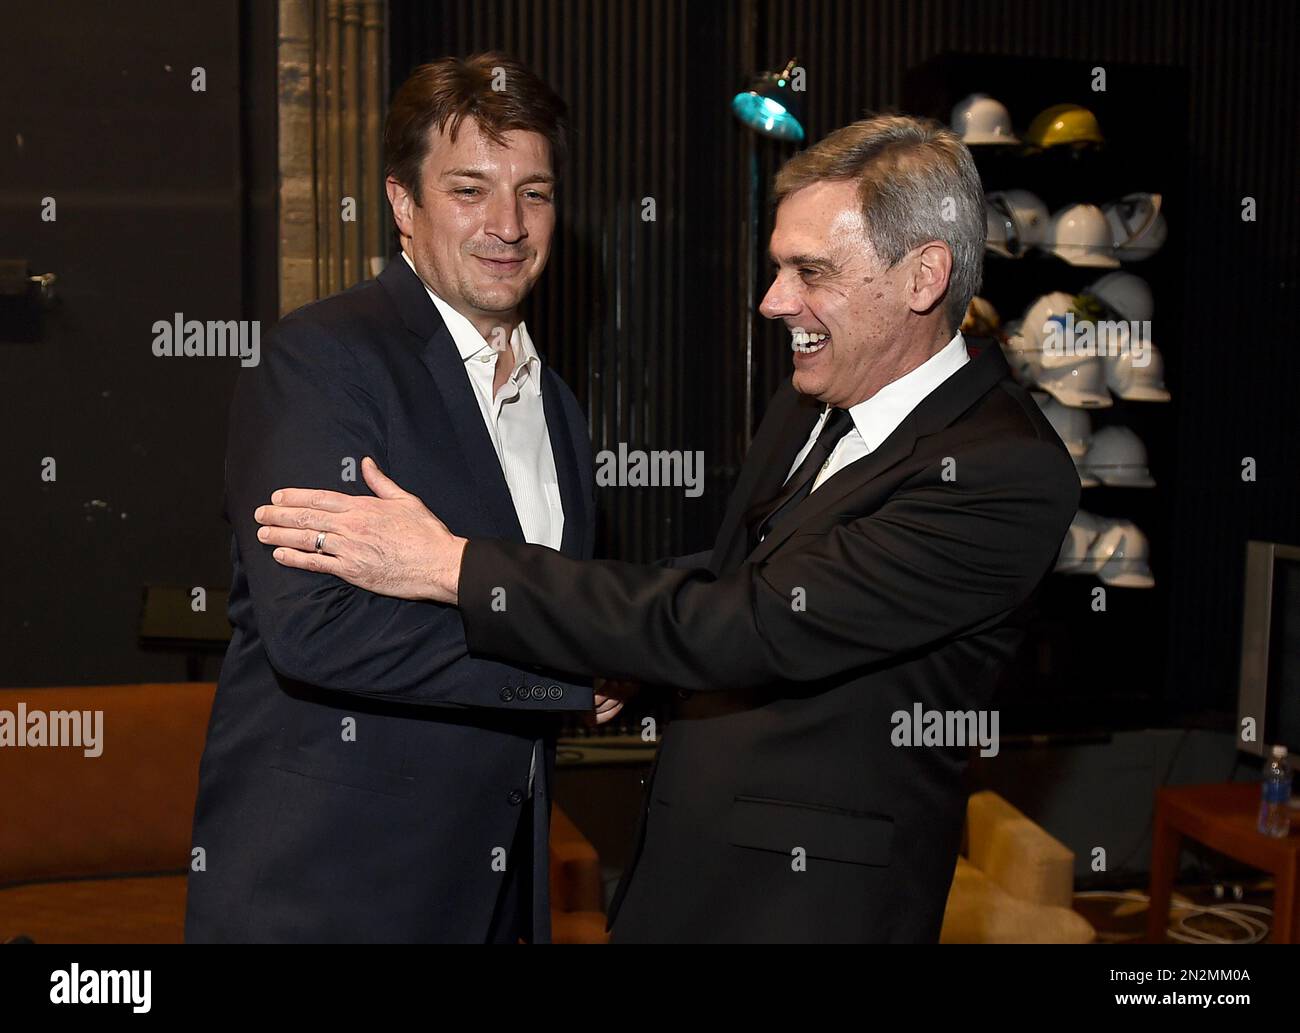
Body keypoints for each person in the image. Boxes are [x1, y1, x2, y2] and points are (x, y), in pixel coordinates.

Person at [254, 115, 1080, 942]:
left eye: (810, 271)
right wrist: (612, 654)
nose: (772, 301)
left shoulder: (1005, 473)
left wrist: (454, 565)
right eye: (776, 267)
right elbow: (736, 570)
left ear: (922, 277)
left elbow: (747, 622)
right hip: (682, 877)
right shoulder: (814, 399)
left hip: (805, 909)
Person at [185, 53, 596, 943]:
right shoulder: (324, 360)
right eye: (469, 189)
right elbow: (317, 627)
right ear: (403, 206)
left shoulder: (556, 407)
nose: (508, 224)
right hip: (328, 898)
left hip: (493, 899)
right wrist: (567, 674)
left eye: (535, 192)